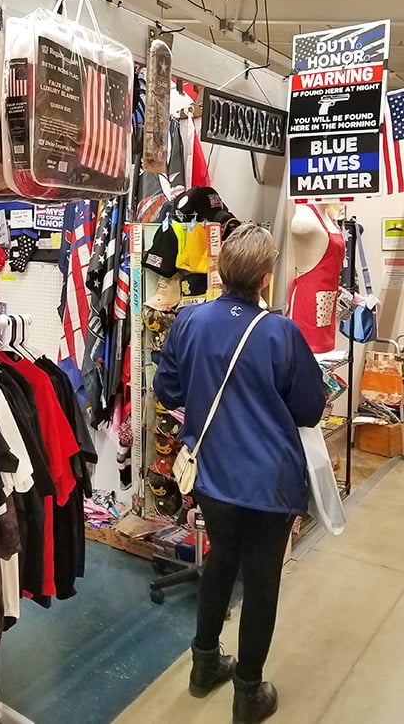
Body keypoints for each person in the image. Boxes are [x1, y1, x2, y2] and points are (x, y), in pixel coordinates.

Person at [153, 223, 325, 724]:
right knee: (262, 580)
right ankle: (249, 692)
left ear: (223, 269)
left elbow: (168, 391)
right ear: (265, 277)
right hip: (270, 480)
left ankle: (204, 664)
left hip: (213, 475)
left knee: (221, 562)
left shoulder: (189, 321)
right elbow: (310, 408)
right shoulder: (281, 332)